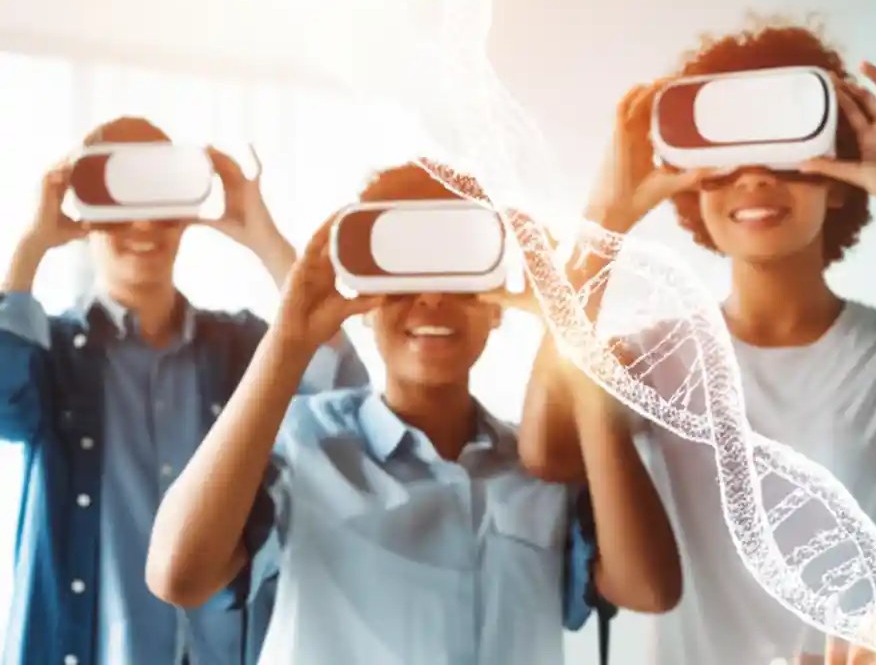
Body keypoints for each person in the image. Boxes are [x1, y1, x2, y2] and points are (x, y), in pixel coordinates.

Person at [518, 21, 876, 664]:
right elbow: (547, 450)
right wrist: (607, 215)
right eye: (725, 158)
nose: (754, 179)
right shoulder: (652, 357)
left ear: (837, 172)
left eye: (785, 152)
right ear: (690, 179)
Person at [145, 163, 682, 665]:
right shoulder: (303, 444)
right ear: (366, 299)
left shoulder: (538, 470)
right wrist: (290, 338)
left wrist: (572, 336)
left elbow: (650, 589)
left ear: (496, 302)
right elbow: (178, 576)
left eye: (457, 272)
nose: (431, 298)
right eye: (403, 275)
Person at [0, 117, 368, 665]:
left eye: (161, 199)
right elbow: (5, 407)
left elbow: (341, 397)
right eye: (120, 200)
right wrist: (29, 250)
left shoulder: (241, 347)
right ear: (84, 210)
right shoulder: (54, 354)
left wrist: (264, 239)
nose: (144, 222)